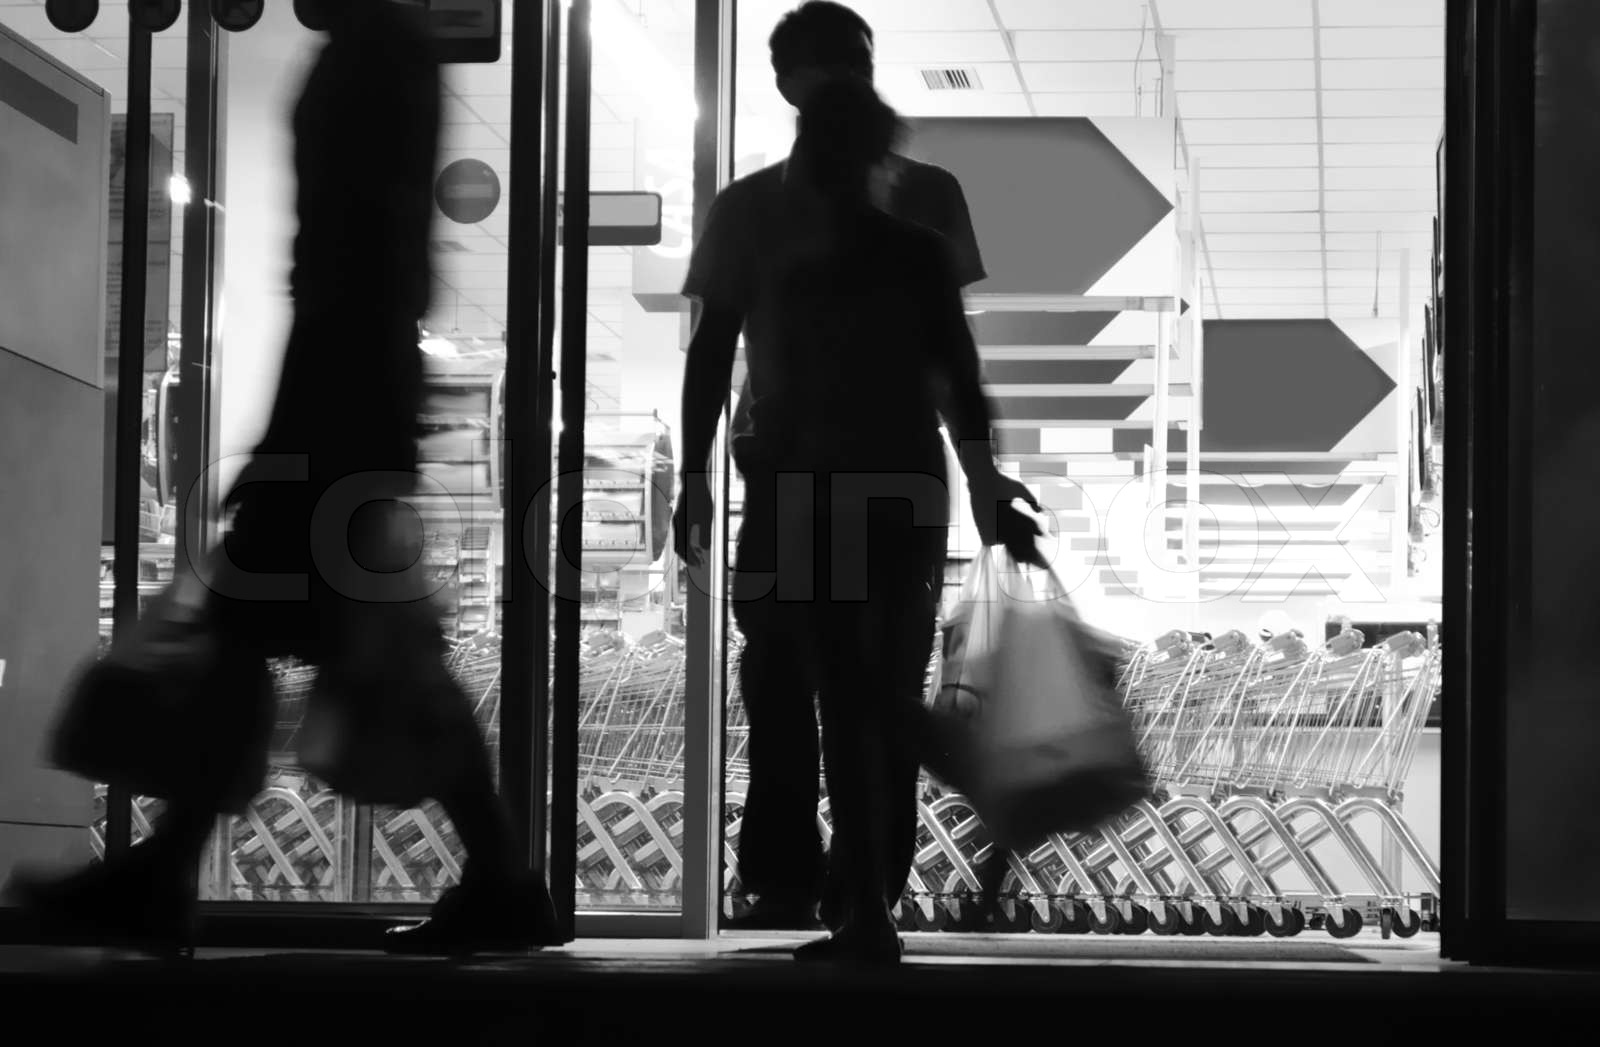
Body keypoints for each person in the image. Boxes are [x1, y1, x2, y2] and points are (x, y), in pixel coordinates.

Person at [4, 0, 556, 957]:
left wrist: (304, 428)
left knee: (253, 628)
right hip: (353, 395)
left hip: (340, 398)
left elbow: (355, 257)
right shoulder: (387, 52)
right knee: (333, 644)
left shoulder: (373, 55)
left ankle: (164, 875)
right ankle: (491, 875)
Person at [675, 72, 1040, 962]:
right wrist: (988, 488)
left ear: (808, 157)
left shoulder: (795, 268)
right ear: (880, 161)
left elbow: (730, 368)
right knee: (871, 696)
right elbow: (960, 381)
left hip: (817, 497)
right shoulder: (916, 253)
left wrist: (703, 472)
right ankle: (872, 896)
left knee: (842, 691)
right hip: (909, 498)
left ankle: (866, 905)